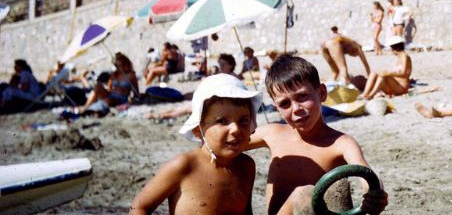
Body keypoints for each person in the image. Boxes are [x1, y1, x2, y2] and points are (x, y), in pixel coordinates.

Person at [248, 55, 388, 215]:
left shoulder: (340, 143)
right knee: (304, 194)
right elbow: (230, 142)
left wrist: (375, 194)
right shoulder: (273, 133)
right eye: (285, 104)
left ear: (321, 93)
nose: (296, 109)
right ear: (276, 108)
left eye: (302, 97)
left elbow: (366, 174)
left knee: (335, 188)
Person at [130, 73, 261, 215]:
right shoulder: (184, 166)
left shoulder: (247, 166)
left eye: (243, 120)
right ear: (198, 130)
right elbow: (139, 207)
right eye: (222, 121)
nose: (235, 129)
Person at [361, 35, 412, 100]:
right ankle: (365, 94)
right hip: (394, 86)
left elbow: (404, 73)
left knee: (383, 75)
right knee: (374, 73)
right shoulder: (399, 57)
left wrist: (389, 73)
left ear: (394, 48)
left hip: (401, 88)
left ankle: (371, 95)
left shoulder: (405, 56)